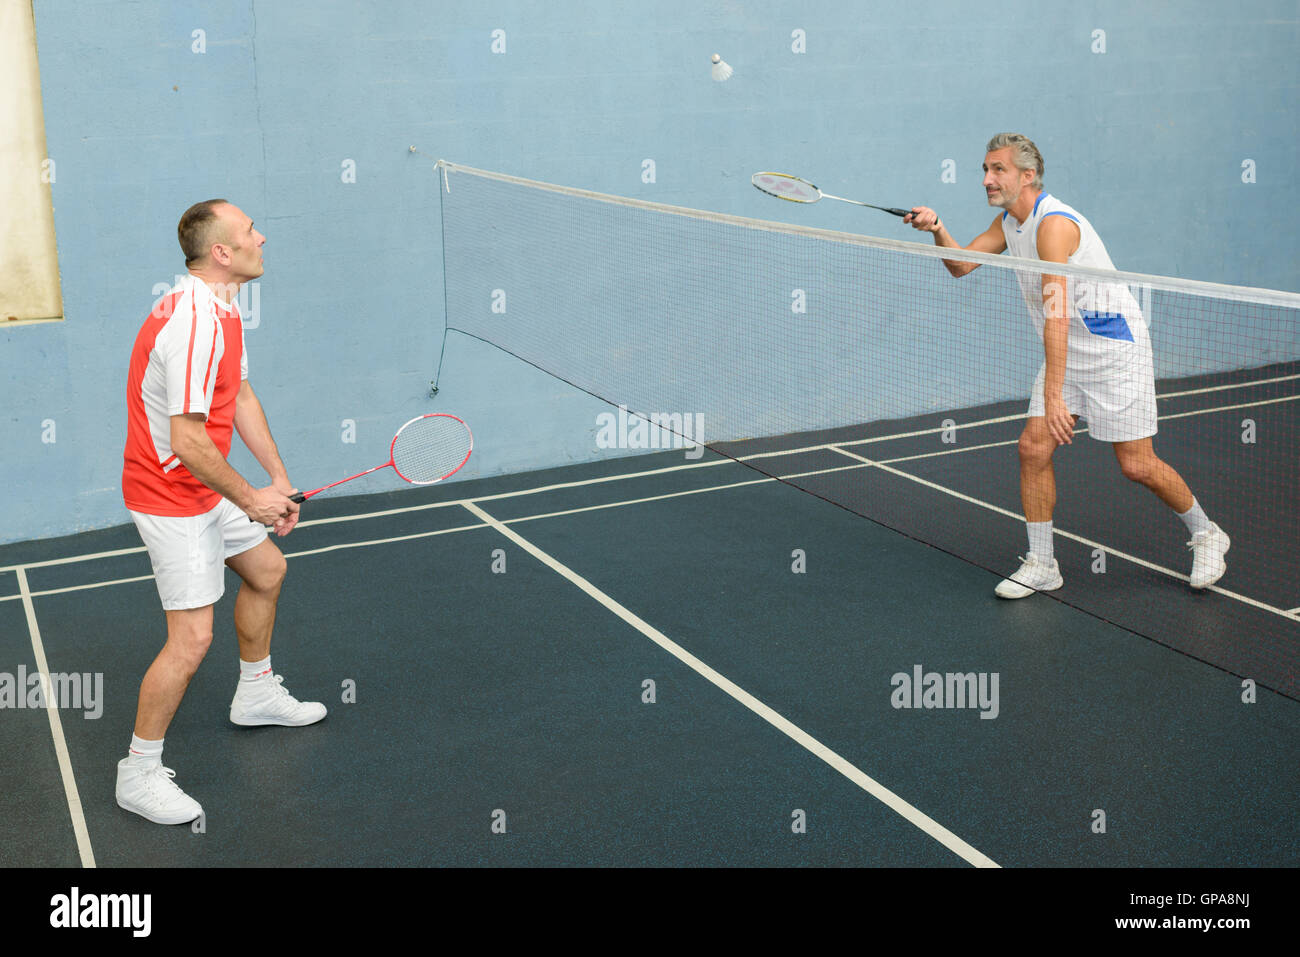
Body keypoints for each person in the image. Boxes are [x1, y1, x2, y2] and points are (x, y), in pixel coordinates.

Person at [904, 133, 1230, 599]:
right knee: (1033, 447)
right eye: (985, 169)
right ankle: (1042, 563)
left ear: (1028, 175)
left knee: (1136, 464)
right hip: (1067, 346)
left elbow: (1056, 311)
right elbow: (961, 265)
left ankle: (1207, 533)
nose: (986, 179)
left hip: (1115, 351)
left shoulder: (1053, 226)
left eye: (997, 170)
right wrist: (938, 228)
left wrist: (1054, 395)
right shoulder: (1008, 223)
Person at [117, 199, 325, 825]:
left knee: (267, 572)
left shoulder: (224, 308)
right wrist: (251, 497)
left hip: (208, 488)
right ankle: (139, 771)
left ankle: (256, 692)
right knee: (191, 639)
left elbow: (239, 395)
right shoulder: (191, 322)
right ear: (222, 253)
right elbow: (186, 441)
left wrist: (277, 479)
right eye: (250, 232)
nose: (263, 237)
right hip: (169, 496)